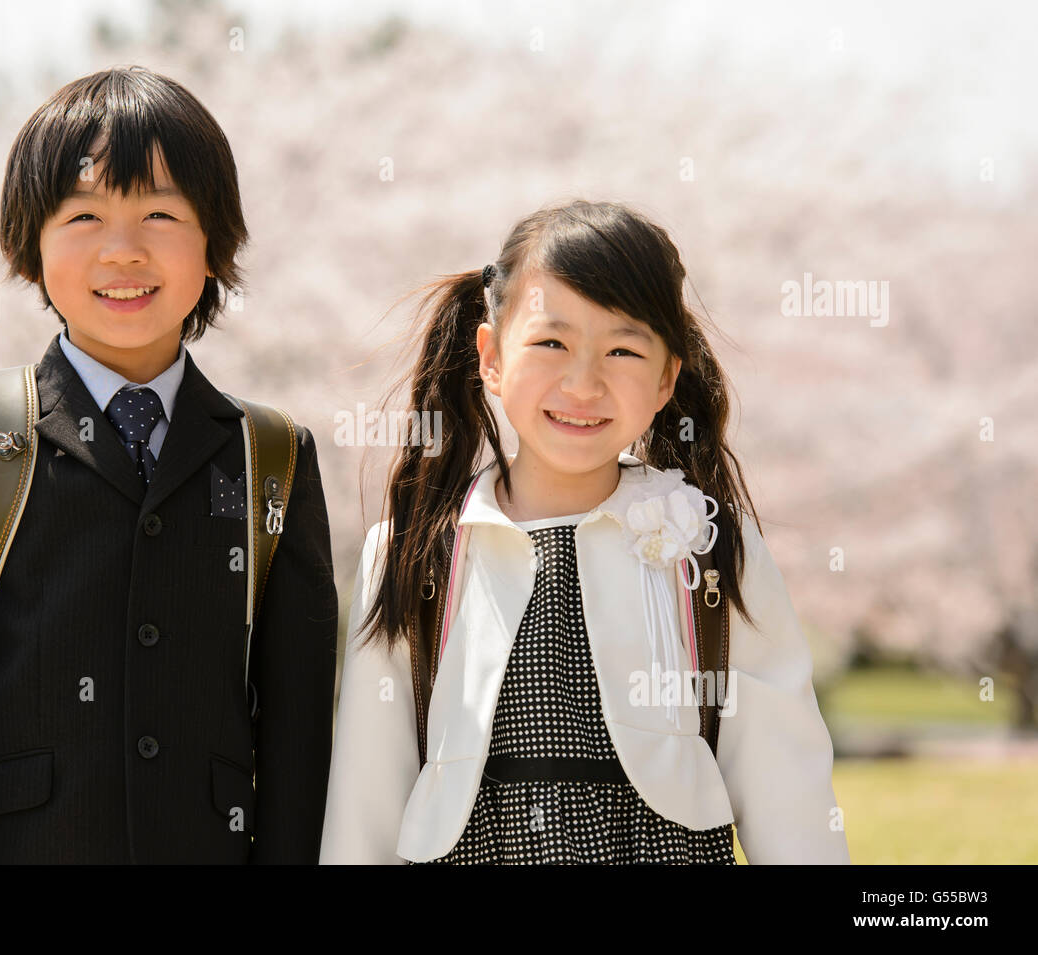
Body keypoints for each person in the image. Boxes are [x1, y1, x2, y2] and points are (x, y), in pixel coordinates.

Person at [0, 67, 338, 863]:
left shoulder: (274, 455)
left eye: (159, 212)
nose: (123, 250)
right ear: (29, 243)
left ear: (213, 243)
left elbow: (297, 736)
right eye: (83, 215)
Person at [320, 200, 850, 864]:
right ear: (489, 356)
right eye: (551, 342)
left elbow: (791, 802)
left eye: (623, 349)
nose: (583, 382)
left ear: (666, 377)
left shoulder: (710, 548)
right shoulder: (414, 553)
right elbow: (364, 809)